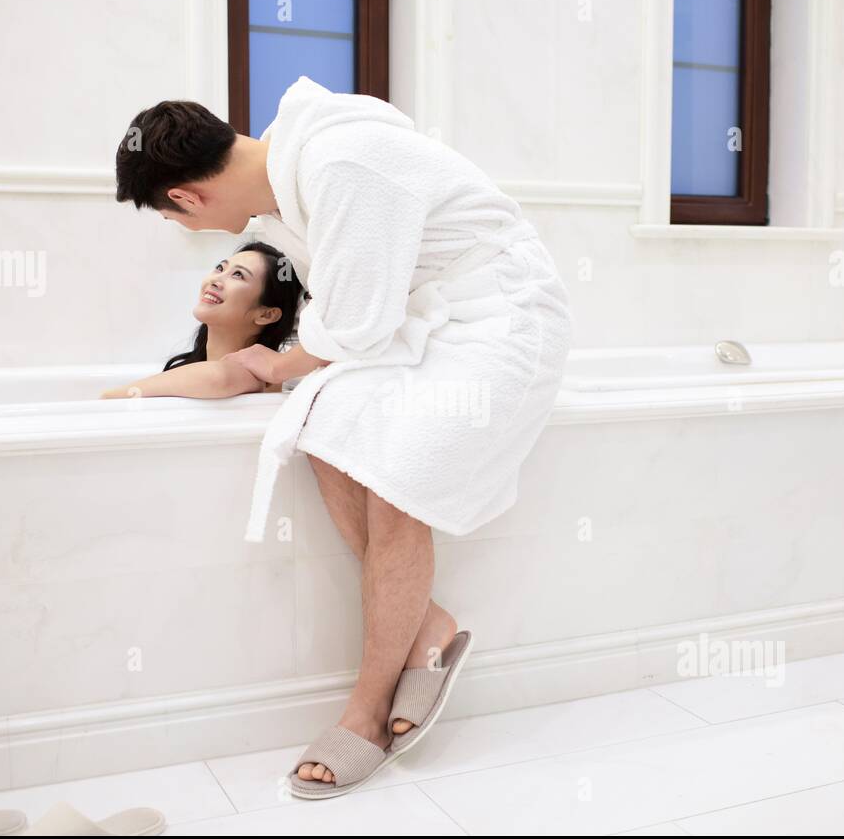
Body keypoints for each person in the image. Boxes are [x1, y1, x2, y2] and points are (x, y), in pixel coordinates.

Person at [115, 76, 573, 797]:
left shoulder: (343, 162)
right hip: (420, 331)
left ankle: (364, 712)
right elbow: (352, 313)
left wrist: (276, 365)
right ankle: (430, 624)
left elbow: (354, 322)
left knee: (396, 481)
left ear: (185, 197)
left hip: (500, 321)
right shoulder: (300, 176)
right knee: (324, 424)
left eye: (180, 222)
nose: (201, 235)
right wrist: (284, 369)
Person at [99, 242, 304, 400]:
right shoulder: (195, 370)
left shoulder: (258, 375)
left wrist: (111, 398)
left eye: (238, 275)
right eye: (220, 268)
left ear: (266, 314)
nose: (216, 279)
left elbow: (220, 376)